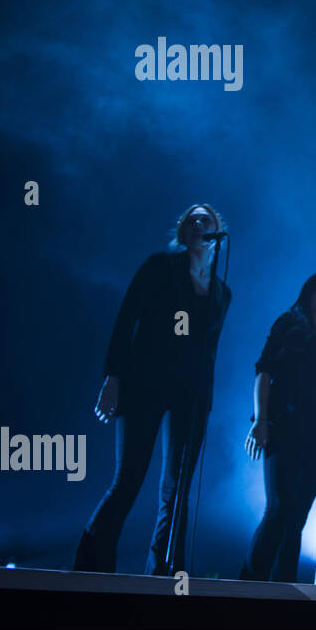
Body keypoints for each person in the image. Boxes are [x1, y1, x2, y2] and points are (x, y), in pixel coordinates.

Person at [74, 204, 232, 574]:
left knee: (177, 493)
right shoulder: (160, 267)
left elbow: (208, 350)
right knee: (127, 480)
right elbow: (126, 319)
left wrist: (205, 400)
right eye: (191, 219)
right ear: (183, 230)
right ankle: (91, 566)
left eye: (205, 219)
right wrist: (113, 379)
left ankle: (162, 572)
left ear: (217, 232)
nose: (198, 223)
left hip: (190, 395)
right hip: (144, 382)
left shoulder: (222, 292)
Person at [240, 271, 316, 582]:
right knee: (279, 509)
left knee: (297, 518)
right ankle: (250, 582)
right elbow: (264, 372)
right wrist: (260, 421)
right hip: (286, 428)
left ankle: (283, 590)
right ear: (307, 293)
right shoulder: (289, 324)